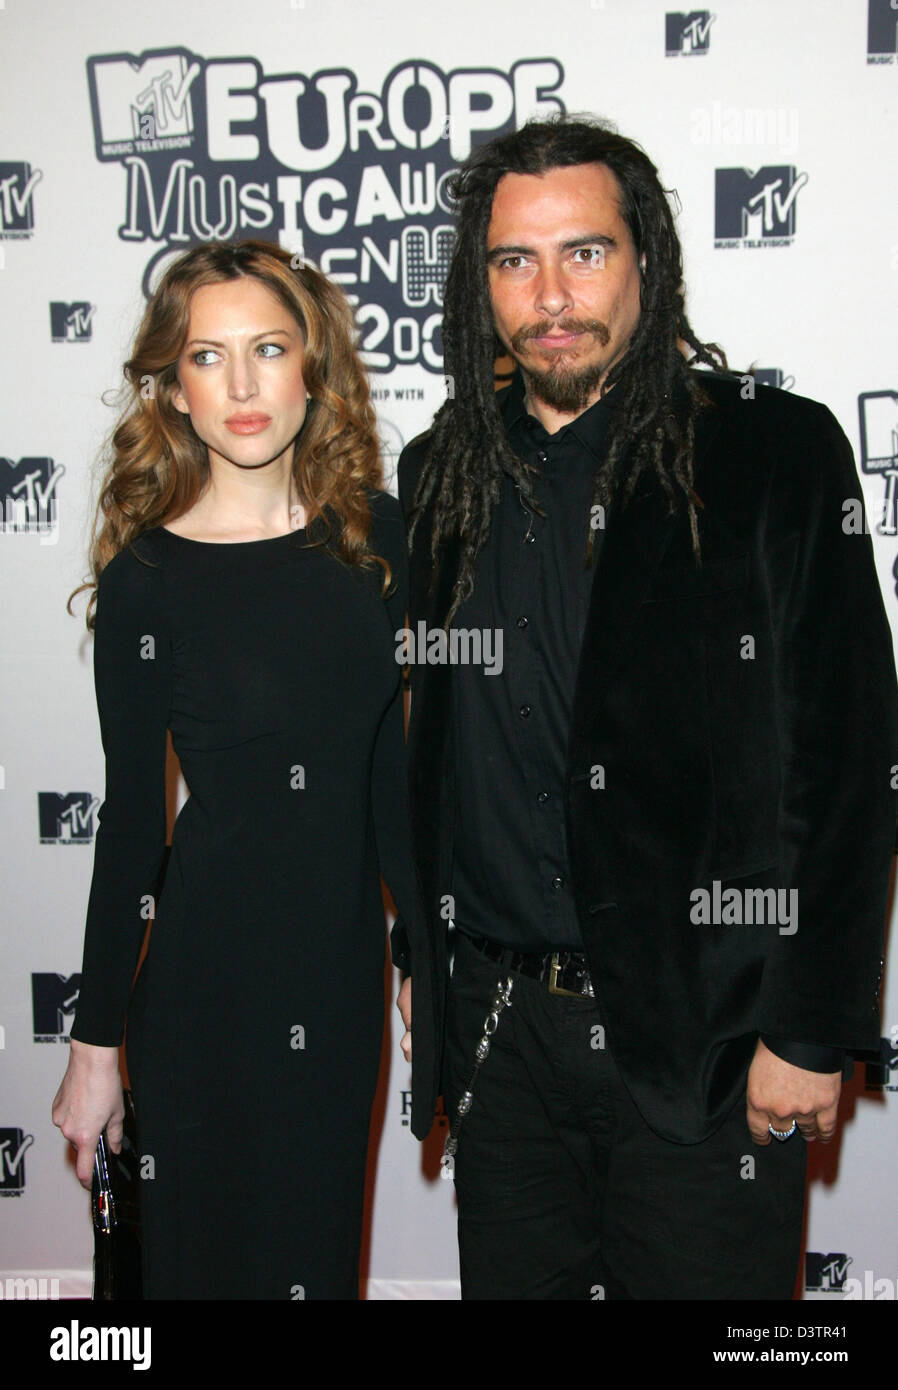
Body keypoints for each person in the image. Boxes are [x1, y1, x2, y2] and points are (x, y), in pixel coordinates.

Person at [393, 116, 898, 1299]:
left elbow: (852, 752)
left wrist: (810, 1026)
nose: (550, 294)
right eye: (514, 261)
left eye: (586, 252)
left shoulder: (770, 452)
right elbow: (430, 745)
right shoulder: (438, 474)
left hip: (710, 1044)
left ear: (645, 261)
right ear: (479, 288)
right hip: (503, 1040)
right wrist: (419, 946)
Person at [52, 238, 424, 1299]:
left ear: (313, 364)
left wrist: (419, 949)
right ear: (172, 387)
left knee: (310, 1267)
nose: (245, 384)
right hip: (196, 993)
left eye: (268, 347)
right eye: (209, 357)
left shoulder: (378, 546)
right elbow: (131, 825)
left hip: (335, 980)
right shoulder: (145, 580)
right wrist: (94, 1043)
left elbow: (392, 772)